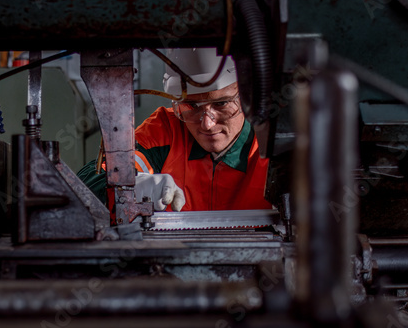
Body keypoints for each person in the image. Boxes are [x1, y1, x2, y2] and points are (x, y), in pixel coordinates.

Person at [77, 47, 272, 212]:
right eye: (191, 106)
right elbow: (89, 182)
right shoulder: (165, 130)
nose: (207, 124)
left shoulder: (270, 141)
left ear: (248, 97)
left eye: (221, 103)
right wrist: (129, 185)